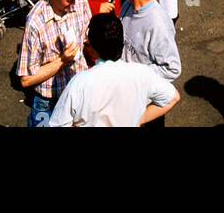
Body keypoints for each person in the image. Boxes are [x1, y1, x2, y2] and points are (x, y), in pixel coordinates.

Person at [49, 12, 180, 128]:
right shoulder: (141, 74)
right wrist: (139, 119)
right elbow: (173, 98)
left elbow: (58, 123)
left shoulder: (80, 83)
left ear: (93, 47)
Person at [18, 0, 92, 126]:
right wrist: (62, 60)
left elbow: (89, 40)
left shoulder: (80, 3)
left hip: (78, 92)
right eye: (68, 0)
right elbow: (26, 80)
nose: (73, 5)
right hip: (48, 101)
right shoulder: (36, 23)